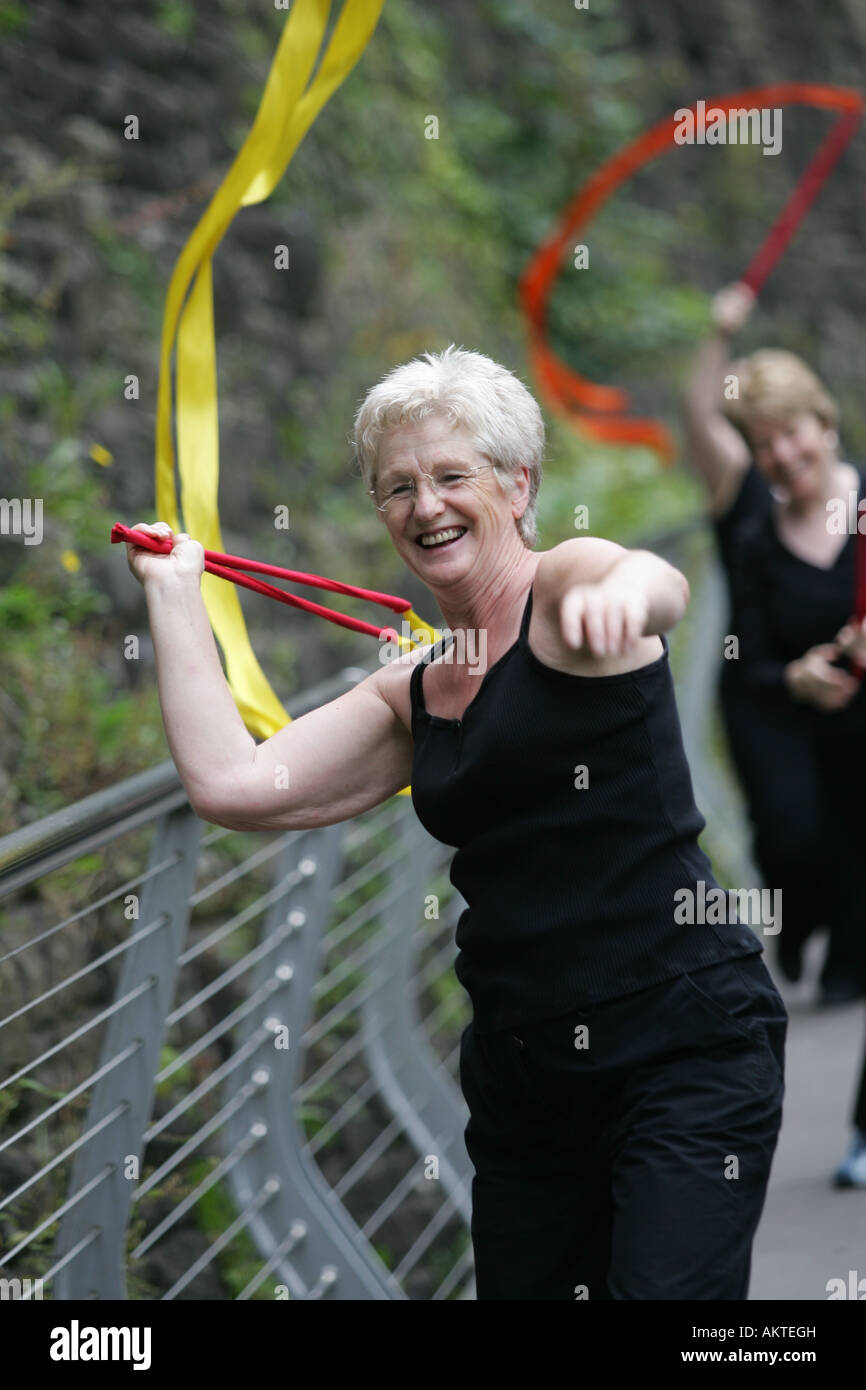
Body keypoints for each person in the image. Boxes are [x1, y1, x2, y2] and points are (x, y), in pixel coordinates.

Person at [126, 344, 787, 1300]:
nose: (424, 506)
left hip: (681, 1049)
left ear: (519, 486)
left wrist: (623, 598)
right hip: (525, 1088)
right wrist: (176, 595)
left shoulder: (567, 594)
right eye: (397, 488)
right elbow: (234, 784)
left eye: (450, 476)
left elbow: (656, 585)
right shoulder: (415, 692)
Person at [682, 284, 830, 992]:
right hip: (759, 691)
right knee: (787, 831)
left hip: (833, 688)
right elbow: (699, 413)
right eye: (762, 436)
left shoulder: (843, 494)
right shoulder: (737, 482)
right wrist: (719, 334)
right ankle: (797, 925)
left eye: (790, 431)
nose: (782, 451)